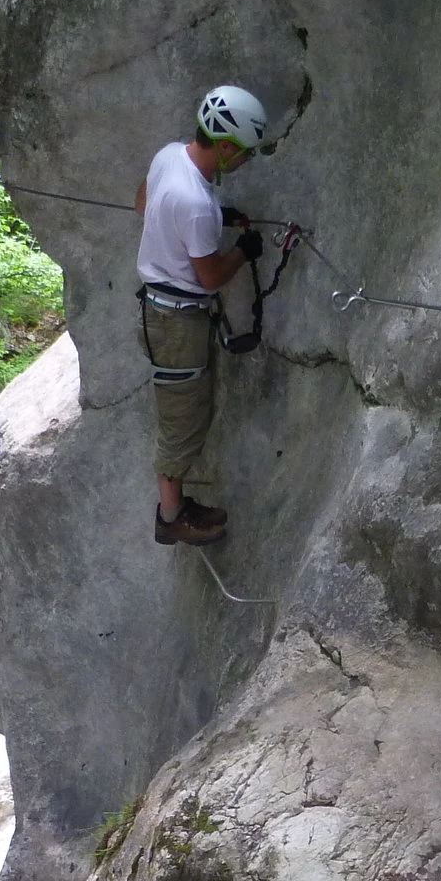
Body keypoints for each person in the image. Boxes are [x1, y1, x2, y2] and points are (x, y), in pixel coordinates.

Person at [134, 84, 270, 546]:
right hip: (178, 324)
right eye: (245, 153)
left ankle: (174, 506)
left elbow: (143, 203)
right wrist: (243, 251)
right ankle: (172, 517)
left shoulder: (170, 156)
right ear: (227, 146)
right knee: (183, 418)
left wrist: (216, 214)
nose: (246, 161)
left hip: (161, 311)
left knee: (184, 409)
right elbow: (211, 277)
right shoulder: (193, 203)